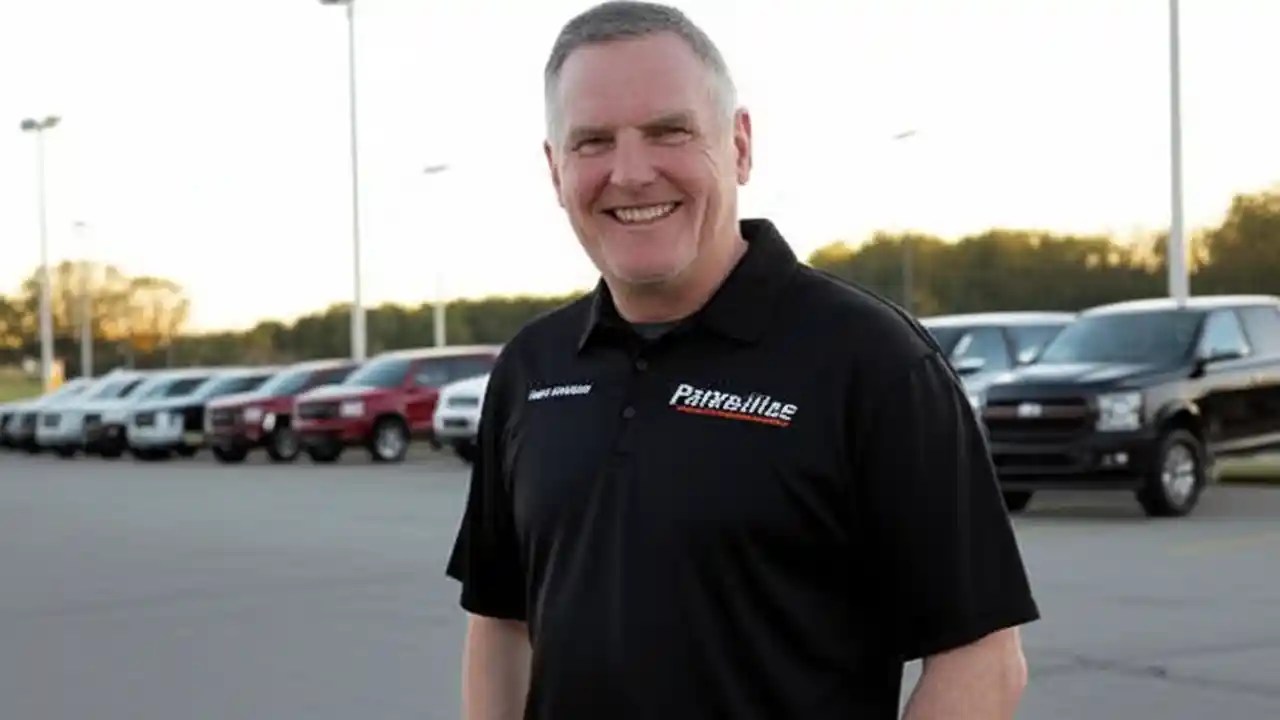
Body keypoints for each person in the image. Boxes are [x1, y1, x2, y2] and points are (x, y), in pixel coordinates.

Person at [446, 2, 1039, 718]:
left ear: (740, 145)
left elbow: (981, 657)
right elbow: (501, 622)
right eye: (593, 142)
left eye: (669, 132)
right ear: (555, 168)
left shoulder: (873, 363)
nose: (630, 173)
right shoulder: (531, 370)